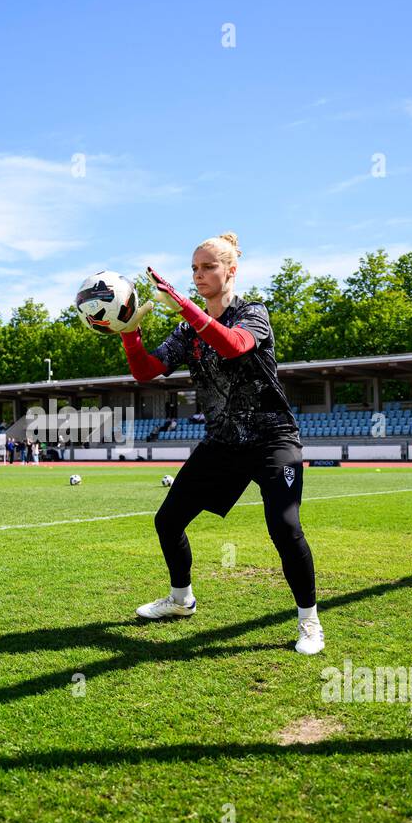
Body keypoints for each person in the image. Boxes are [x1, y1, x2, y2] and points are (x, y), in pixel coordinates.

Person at [118, 232, 323, 655]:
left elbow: (233, 347)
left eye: (208, 267)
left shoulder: (253, 313)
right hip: (223, 443)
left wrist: (188, 309)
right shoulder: (185, 330)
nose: (198, 275)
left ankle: (309, 621)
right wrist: (129, 331)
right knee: (168, 521)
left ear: (232, 270)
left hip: (272, 438)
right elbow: (145, 371)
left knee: (285, 528)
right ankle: (181, 600)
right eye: (193, 269)